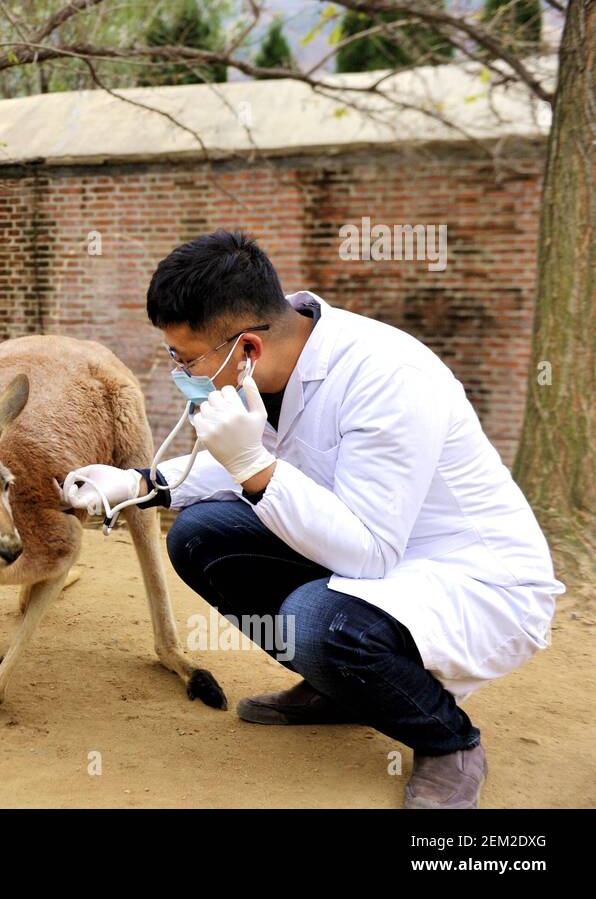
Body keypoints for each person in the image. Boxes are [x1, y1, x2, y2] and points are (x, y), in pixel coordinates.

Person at [61, 230, 562, 809]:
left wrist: (252, 465)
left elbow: (369, 551)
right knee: (201, 537)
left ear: (246, 346)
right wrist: (139, 484)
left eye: (186, 358)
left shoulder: (388, 377)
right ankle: (341, 691)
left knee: (320, 620)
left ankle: (448, 742)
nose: (179, 371)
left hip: (473, 579)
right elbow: (241, 464)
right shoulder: (269, 365)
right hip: (371, 549)